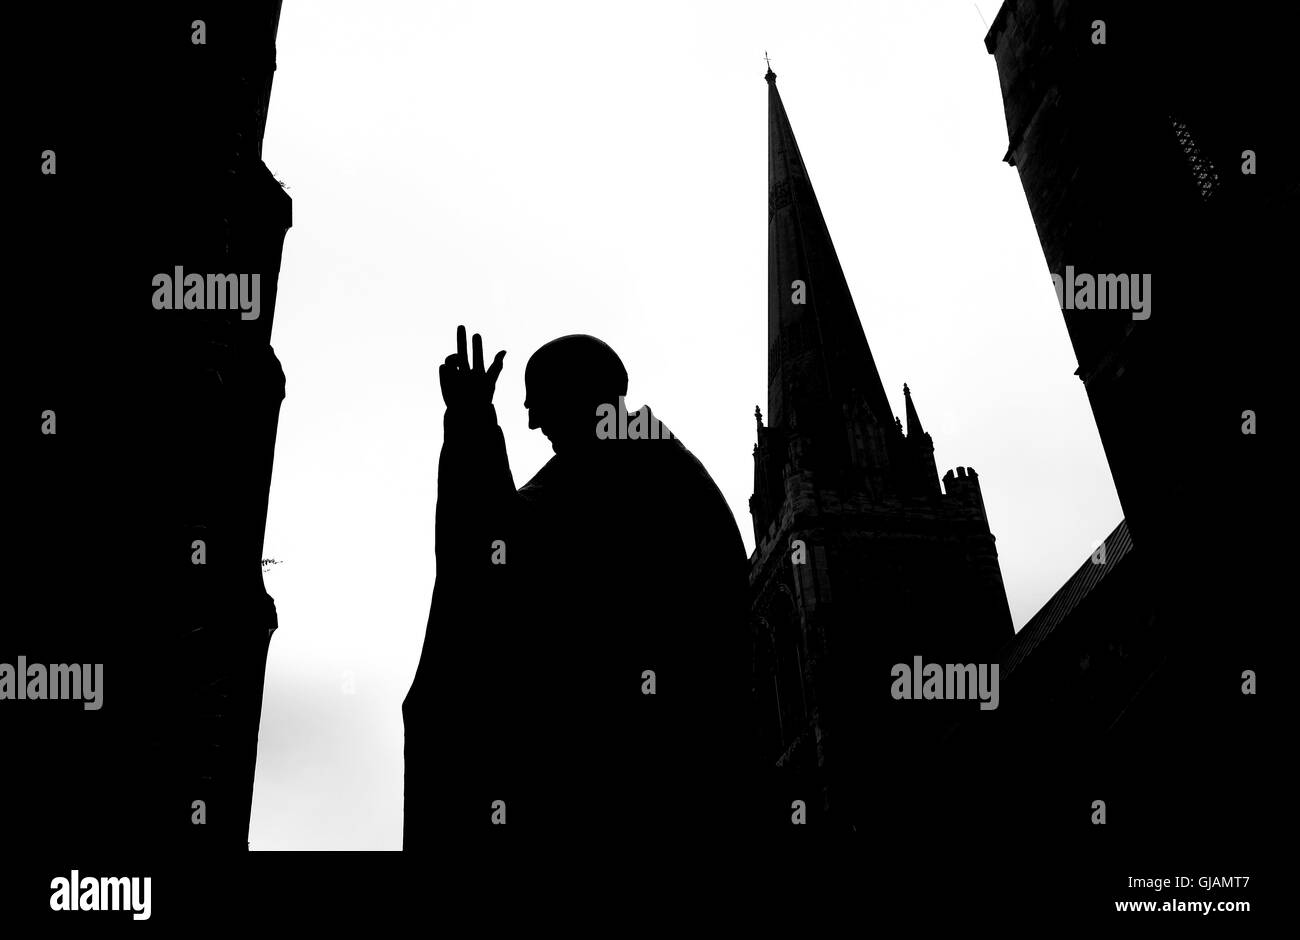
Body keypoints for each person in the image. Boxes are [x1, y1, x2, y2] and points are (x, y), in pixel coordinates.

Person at [404, 326, 756, 851]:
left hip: (638, 754)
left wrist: (474, 426)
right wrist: (471, 424)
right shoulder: (611, 461)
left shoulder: (644, 469)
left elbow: (506, 553)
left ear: (581, 394)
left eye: (539, 402)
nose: (532, 420)